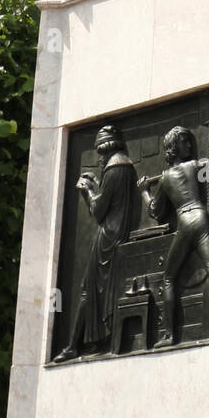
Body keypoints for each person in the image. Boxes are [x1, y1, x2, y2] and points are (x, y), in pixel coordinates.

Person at [138, 126, 209, 344]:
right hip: (201, 217)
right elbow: (207, 171)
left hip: (185, 220)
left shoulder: (165, 179)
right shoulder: (195, 166)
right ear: (173, 147)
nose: (190, 145)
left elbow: (155, 211)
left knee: (168, 278)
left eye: (189, 141)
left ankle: (169, 334)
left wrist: (145, 190)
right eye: (184, 142)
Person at [53, 124, 135, 362]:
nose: (99, 158)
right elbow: (113, 200)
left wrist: (86, 190)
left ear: (106, 148)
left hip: (107, 238)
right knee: (94, 291)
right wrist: (98, 185)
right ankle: (84, 342)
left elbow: (99, 212)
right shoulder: (125, 165)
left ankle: (73, 346)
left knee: (87, 291)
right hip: (118, 233)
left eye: (100, 152)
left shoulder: (114, 167)